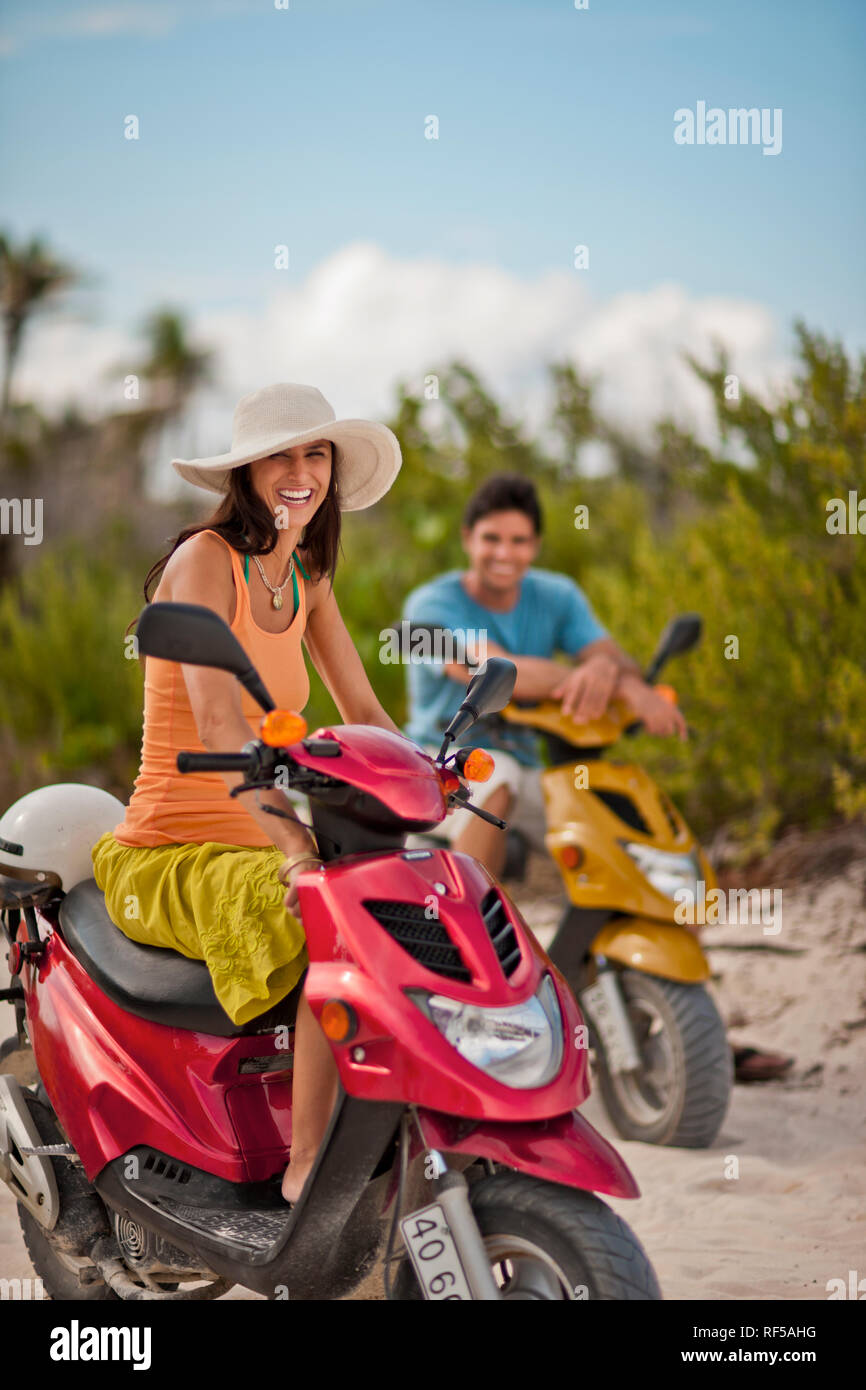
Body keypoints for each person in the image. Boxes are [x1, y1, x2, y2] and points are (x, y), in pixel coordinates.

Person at [92, 382, 403, 1203]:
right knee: (332, 919)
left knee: (407, 907)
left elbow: (365, 713)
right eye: (281, 455)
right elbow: (225, 727)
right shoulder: (204, 559)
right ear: (247, 471)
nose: (300, 472)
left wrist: (429, 775)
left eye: (315, 455)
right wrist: (297, 845)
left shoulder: (306, 574)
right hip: (171, 851)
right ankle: (306, 1169)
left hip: (254, 839)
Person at [403, 472, 793, 1084]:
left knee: (622, 822)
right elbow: (476, 665)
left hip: (542, 770)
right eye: (491, 539)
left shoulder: (555, 595)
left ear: (535, 545)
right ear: (466, 539)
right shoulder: (427, 607)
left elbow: (613, 656)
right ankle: (475, 970)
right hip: (444, 761)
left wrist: (625, 682)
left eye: (520, 541)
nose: (505, 554)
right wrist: (579, 678)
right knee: (497, 772)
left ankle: (685, 1015)